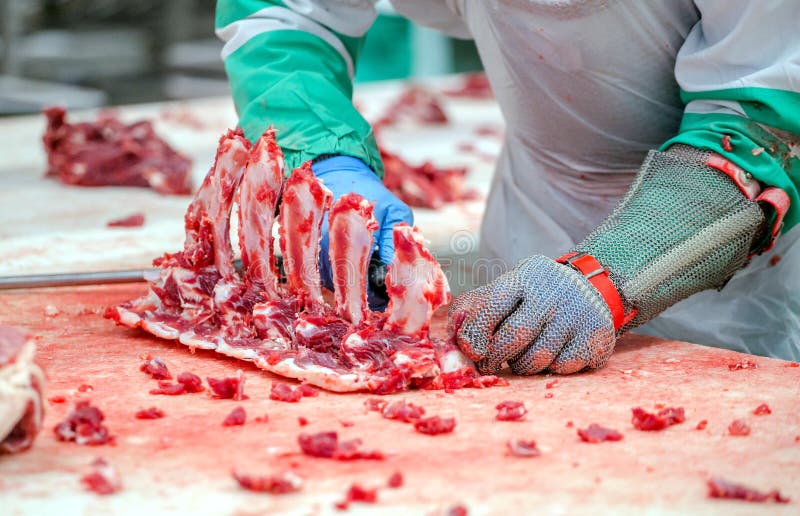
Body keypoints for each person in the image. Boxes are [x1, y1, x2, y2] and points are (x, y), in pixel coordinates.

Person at [215, 1, 800, 374]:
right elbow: (287, 15)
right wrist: (324, 156)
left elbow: (765, 129)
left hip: (734, 295)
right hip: (520, 255)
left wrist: (609, 270)